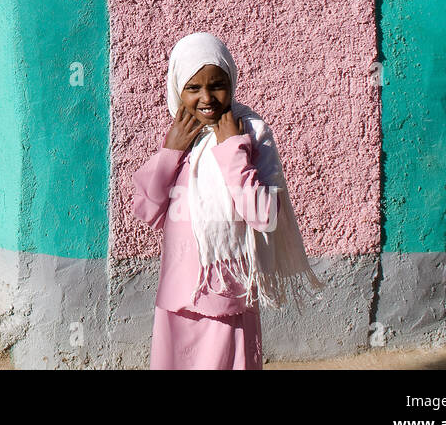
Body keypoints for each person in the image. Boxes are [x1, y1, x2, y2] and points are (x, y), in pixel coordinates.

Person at [131, 32, 322, 369]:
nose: (207, 98)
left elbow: (265, 215)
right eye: (193, 88)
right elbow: (147, 209)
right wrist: (170, 151)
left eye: (217, 85)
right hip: (177, 294)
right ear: (178, 88)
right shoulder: (182, 136)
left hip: (227, 296)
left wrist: (231, 149)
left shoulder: (252, 133)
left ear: (232, 82)